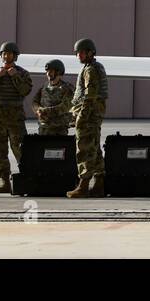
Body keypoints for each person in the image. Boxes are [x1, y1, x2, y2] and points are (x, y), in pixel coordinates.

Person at [0, 41, 33, 193]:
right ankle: (5, 181)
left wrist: (14, 76)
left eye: (9, 53)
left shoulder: (22, 73)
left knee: (21, 150)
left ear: (15, 56)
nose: (6, 56)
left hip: (15, 118)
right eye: (4, 53)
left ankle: (25, 180)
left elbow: (25, 90)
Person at [66, 38, 108, 198]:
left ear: (91, 53)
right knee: (95, 149)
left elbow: (90, 95)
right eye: (78, 53)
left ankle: (83, 185)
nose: (79, 55)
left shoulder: (90, 70)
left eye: (82, 52)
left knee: (84, 148)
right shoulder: (94, 67)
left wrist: (82, 115)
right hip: (93, 114)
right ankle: (99, 184)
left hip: (88, 115)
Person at [32, 59, 73, 136]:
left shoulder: (67, 88)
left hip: (59, 129)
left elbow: (65, 107)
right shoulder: (44, 87)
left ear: (58, 72)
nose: (48, 74)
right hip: (43, 128)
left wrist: (45, 111)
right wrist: (38, 110)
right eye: (47, 71)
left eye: (51, 71)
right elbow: (35, 101)